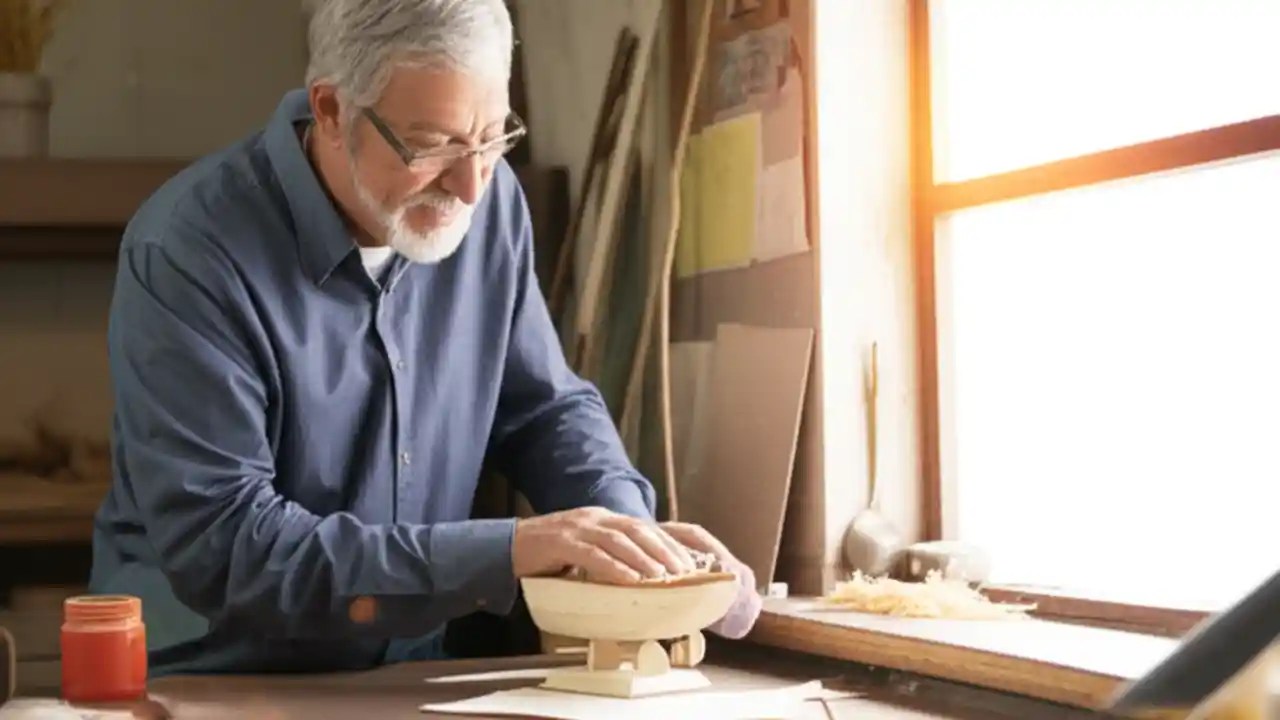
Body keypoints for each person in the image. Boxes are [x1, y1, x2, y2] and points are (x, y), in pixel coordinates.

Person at [89, 0, 760, 676]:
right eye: (433, 144)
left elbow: (543, 408)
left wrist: (625, 533)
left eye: (494, 139)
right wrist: (510, 550)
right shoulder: (189, 251)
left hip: (409, 674)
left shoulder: (488, 207)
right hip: (220, 679)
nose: (469, 186)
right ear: (329, 109)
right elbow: (229, 549)